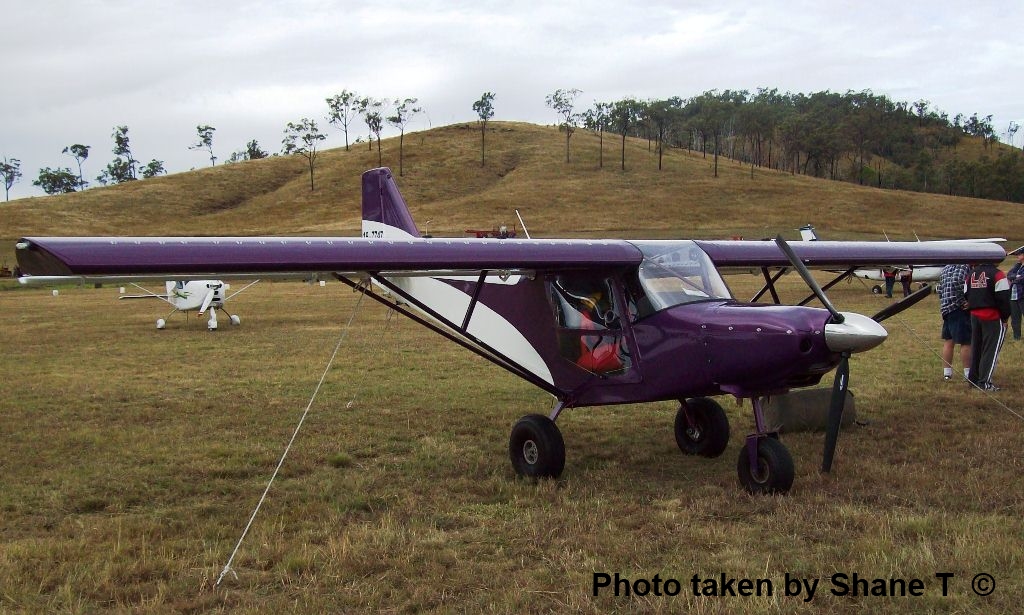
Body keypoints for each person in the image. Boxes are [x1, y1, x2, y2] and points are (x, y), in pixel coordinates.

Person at [965, 261, 1011, 391]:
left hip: (974, 314)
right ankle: (985, 383)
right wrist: (1005, 316)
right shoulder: (998, 274)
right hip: (992, 315)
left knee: (976, 348)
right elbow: (1003, 298)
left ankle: (973, 380)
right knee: (991, 350)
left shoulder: (971, 273)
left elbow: (965, 292)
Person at [938, 264, 971, 381]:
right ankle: (968, 373)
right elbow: (957, 280)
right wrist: (964, 301)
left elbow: (940, 289)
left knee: (949, 341)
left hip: (946, 308)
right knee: (966, 342)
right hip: (957, 308)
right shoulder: (963, 266)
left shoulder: (946, 267)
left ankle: (947, 373)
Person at [1006, 251, 1024, 340]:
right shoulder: (1018, 265)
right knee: (1015, 317)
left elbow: (1022, 279)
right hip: (1013, 295)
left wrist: (1015, 278)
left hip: (1022, 295)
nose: (1017, 256)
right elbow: (1009, 275)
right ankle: (1017, 337)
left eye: (1020, 254)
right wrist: (1016, 276)